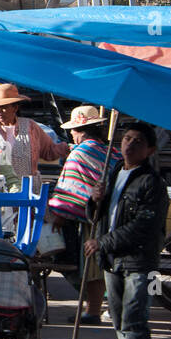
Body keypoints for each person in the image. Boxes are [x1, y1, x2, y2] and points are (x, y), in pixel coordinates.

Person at [83, 121, 167, 339]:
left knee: (134, 322)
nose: (130, 144)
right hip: (113, 261)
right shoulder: (116, 172)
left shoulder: (152, 183)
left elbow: (144, 226)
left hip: (139, 262)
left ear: (150, 150)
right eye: (127, 138)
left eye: (138, 141)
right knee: (120, 323)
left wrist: (102, 242)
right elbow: (102, 215)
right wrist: (95, 200)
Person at [47, 105, 119, 324]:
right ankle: (100, 307)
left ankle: (93, 310)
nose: (71, 134)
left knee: (92, 264)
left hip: (93, 216)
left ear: (82, 130)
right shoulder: (108, 150)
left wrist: (60, 213)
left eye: (73, 130)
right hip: (111, 214)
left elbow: (71, 188)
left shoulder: (81, 152)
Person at [0, 83, 68, 189]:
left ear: (15, 108)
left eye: (4, 107)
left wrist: (69, 147)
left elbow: (49, 151)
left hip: (28, 188)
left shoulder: (30, 126)